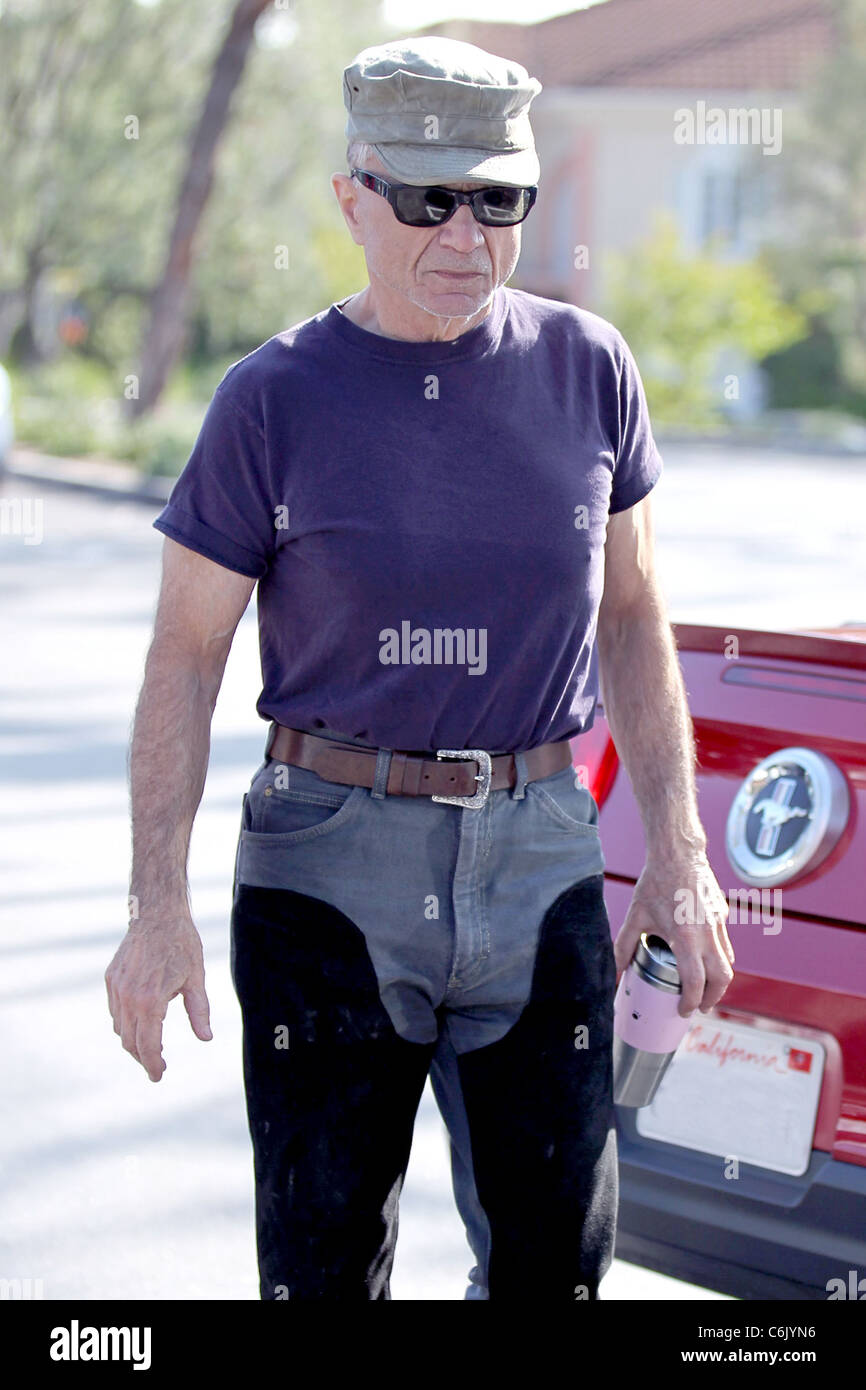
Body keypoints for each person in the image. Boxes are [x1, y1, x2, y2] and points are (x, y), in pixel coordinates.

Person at [105, 35, 735, 1301]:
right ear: (352, 195)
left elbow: (632, 614)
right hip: (324, 869)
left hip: (542, 852)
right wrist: (153, 905)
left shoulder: (591, 370)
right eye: (426, 198)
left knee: (555, 1267)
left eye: (497, 199)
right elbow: (184, 654)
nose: (465, 234)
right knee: (322, 1272)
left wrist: (676, 848)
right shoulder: (270, 399)